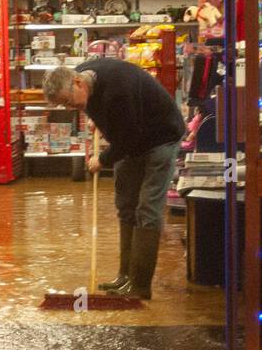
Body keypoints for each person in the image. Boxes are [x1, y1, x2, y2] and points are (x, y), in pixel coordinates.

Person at [43, 59, 186, 300]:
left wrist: (103, 159)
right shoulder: (84, 78)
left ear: (77, 82)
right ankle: (125, 277)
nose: (70, 108)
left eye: (68, 102)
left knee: (147, 208)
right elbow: (121, 128)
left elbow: (127, 138)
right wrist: (95, 117)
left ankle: (140, 287)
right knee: (126, 205)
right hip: (133, 139)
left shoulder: (117, 92)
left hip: (161, 137)